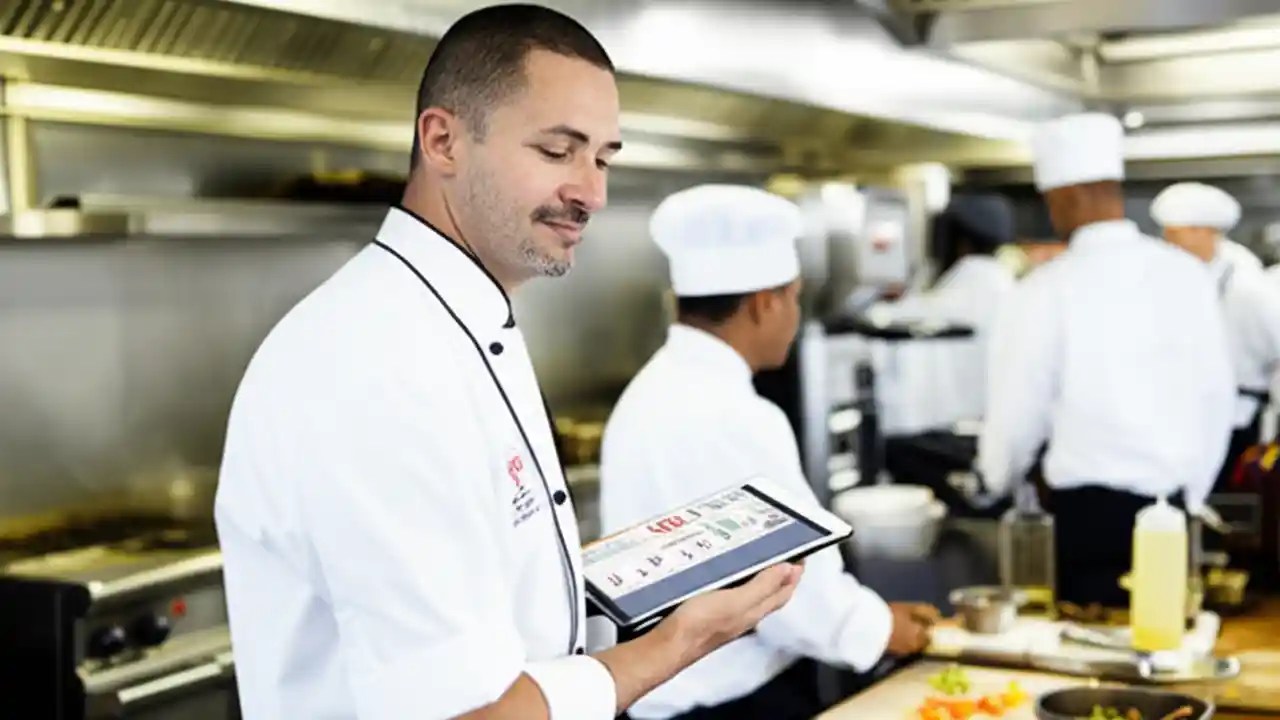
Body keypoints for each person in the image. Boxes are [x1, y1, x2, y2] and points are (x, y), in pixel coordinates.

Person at [214, 7, 803, 720]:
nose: (593, 192)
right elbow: (466, 713)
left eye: (604, 157)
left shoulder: (458, 321)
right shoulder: (375, 365)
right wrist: (682, 640)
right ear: (443, 141)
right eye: (558, 152)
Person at [600, 184, 939, 720]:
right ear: (764, 303)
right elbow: (787, 585)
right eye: (795, 298)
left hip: (654, 704)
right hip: (734, 706)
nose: (795, 316)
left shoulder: (644, 395)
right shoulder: (739, 415)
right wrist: (880, 629)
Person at [977, 113, 1235, 609]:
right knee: (1164, 647)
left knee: (1088, 651)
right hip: (1171, 509)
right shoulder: (1185, 275)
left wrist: (996, 481)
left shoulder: (1044, 289)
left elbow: (1017, 408)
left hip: (1087, 519)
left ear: (1063, 197)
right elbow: (1215, 398)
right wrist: (1191, 493)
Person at [1151, 182, 1280, 489]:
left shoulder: (1247, 285)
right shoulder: (1171, 275)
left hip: (1238, 420)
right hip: (1181, 416)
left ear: (1204, 231)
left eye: (1174, 232)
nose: (1166, 240)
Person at [871, 193, 1018, 433]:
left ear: (958, 243)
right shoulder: (1017, 296)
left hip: (932, 445)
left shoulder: (932, 305)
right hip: (995, 439)